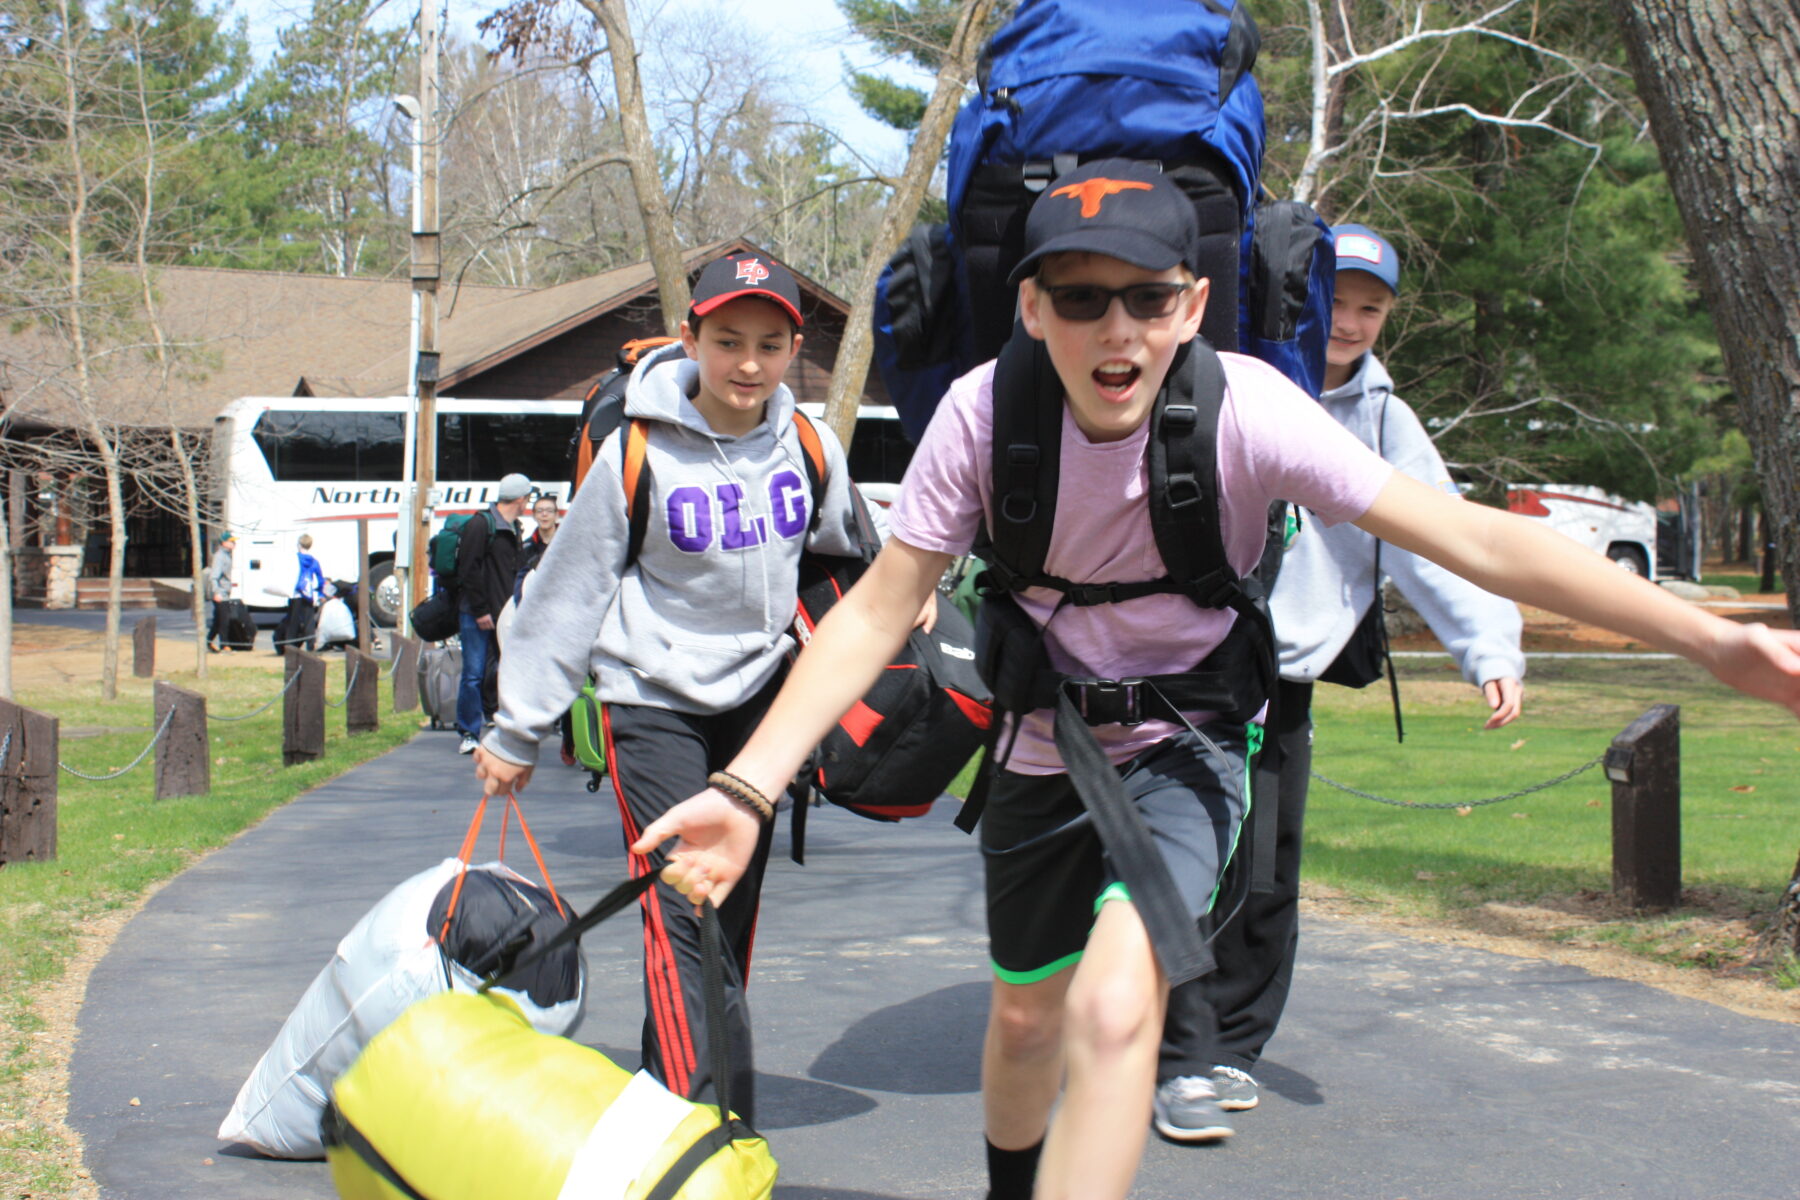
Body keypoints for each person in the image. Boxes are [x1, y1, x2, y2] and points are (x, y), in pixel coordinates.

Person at [620, 161, 1800, 1200]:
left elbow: (1472, 536)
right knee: (1027, 1018)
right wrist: (751, 788)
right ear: (1032, 309)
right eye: (1080, 300)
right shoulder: (984, 417)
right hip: (1041, 749)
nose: (1115, 331)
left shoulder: (1249, 413)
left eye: (1145, 297)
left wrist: (1708, 640)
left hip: (1187, 742)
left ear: (1190, 305)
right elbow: (879, 607)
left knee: (1118, 1001)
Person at [471, 251, 888, 1123]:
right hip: (650, 699)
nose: (747, 363)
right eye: (728, 340)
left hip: (759, 707)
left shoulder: (810, 445)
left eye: (770, 344)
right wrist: (517, 732)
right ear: (692, 336)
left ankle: (683, 1102)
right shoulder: (636, 452)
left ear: (794, 351)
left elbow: (857, 547)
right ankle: (701, 1123)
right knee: (682, 906)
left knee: (723, 913)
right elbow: (565, 596)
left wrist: (905, 604)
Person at [1152, 223, 1529, 1143]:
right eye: (1338, 301)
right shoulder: (1225, 384)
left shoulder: (1384, 419)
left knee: (1268, 865)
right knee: (1182, 856)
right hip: (1191, 663)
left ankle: (1231, 1041)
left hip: (1288, 675)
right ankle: (1165, 1041)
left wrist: (1489, 647)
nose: (1351, 322)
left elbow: (1440, 537)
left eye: (1372, 307)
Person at [454, 472, 531, 754]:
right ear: (521, 498)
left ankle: (504, 731)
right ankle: (469, 732)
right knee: (473, 674)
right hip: (477, 613)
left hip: (504, 613)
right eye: (528, 498)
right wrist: (480, 610)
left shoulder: (515, 528)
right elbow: (468, 569)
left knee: (507, 673)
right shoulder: (480, 524)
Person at [275, 534, 328, 655]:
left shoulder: (294, 559)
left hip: (295, 594)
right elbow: (320, 579)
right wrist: (319, 594)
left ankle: (290, 647)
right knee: (309, 622)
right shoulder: (314, 561)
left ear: (299, 544)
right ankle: (310, 646)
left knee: (292, 621)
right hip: (308, 595)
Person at [206, 532, 237, 652]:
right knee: (224, 620)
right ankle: (224, 645)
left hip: (225, 592)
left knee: (218, 620)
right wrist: (217, 592)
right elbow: (214, 576)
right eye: (231, 541)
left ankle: (209, 641)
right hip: (221, 593)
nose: (234, 543)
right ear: (224, 543)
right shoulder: (220, 556)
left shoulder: (227, 555)